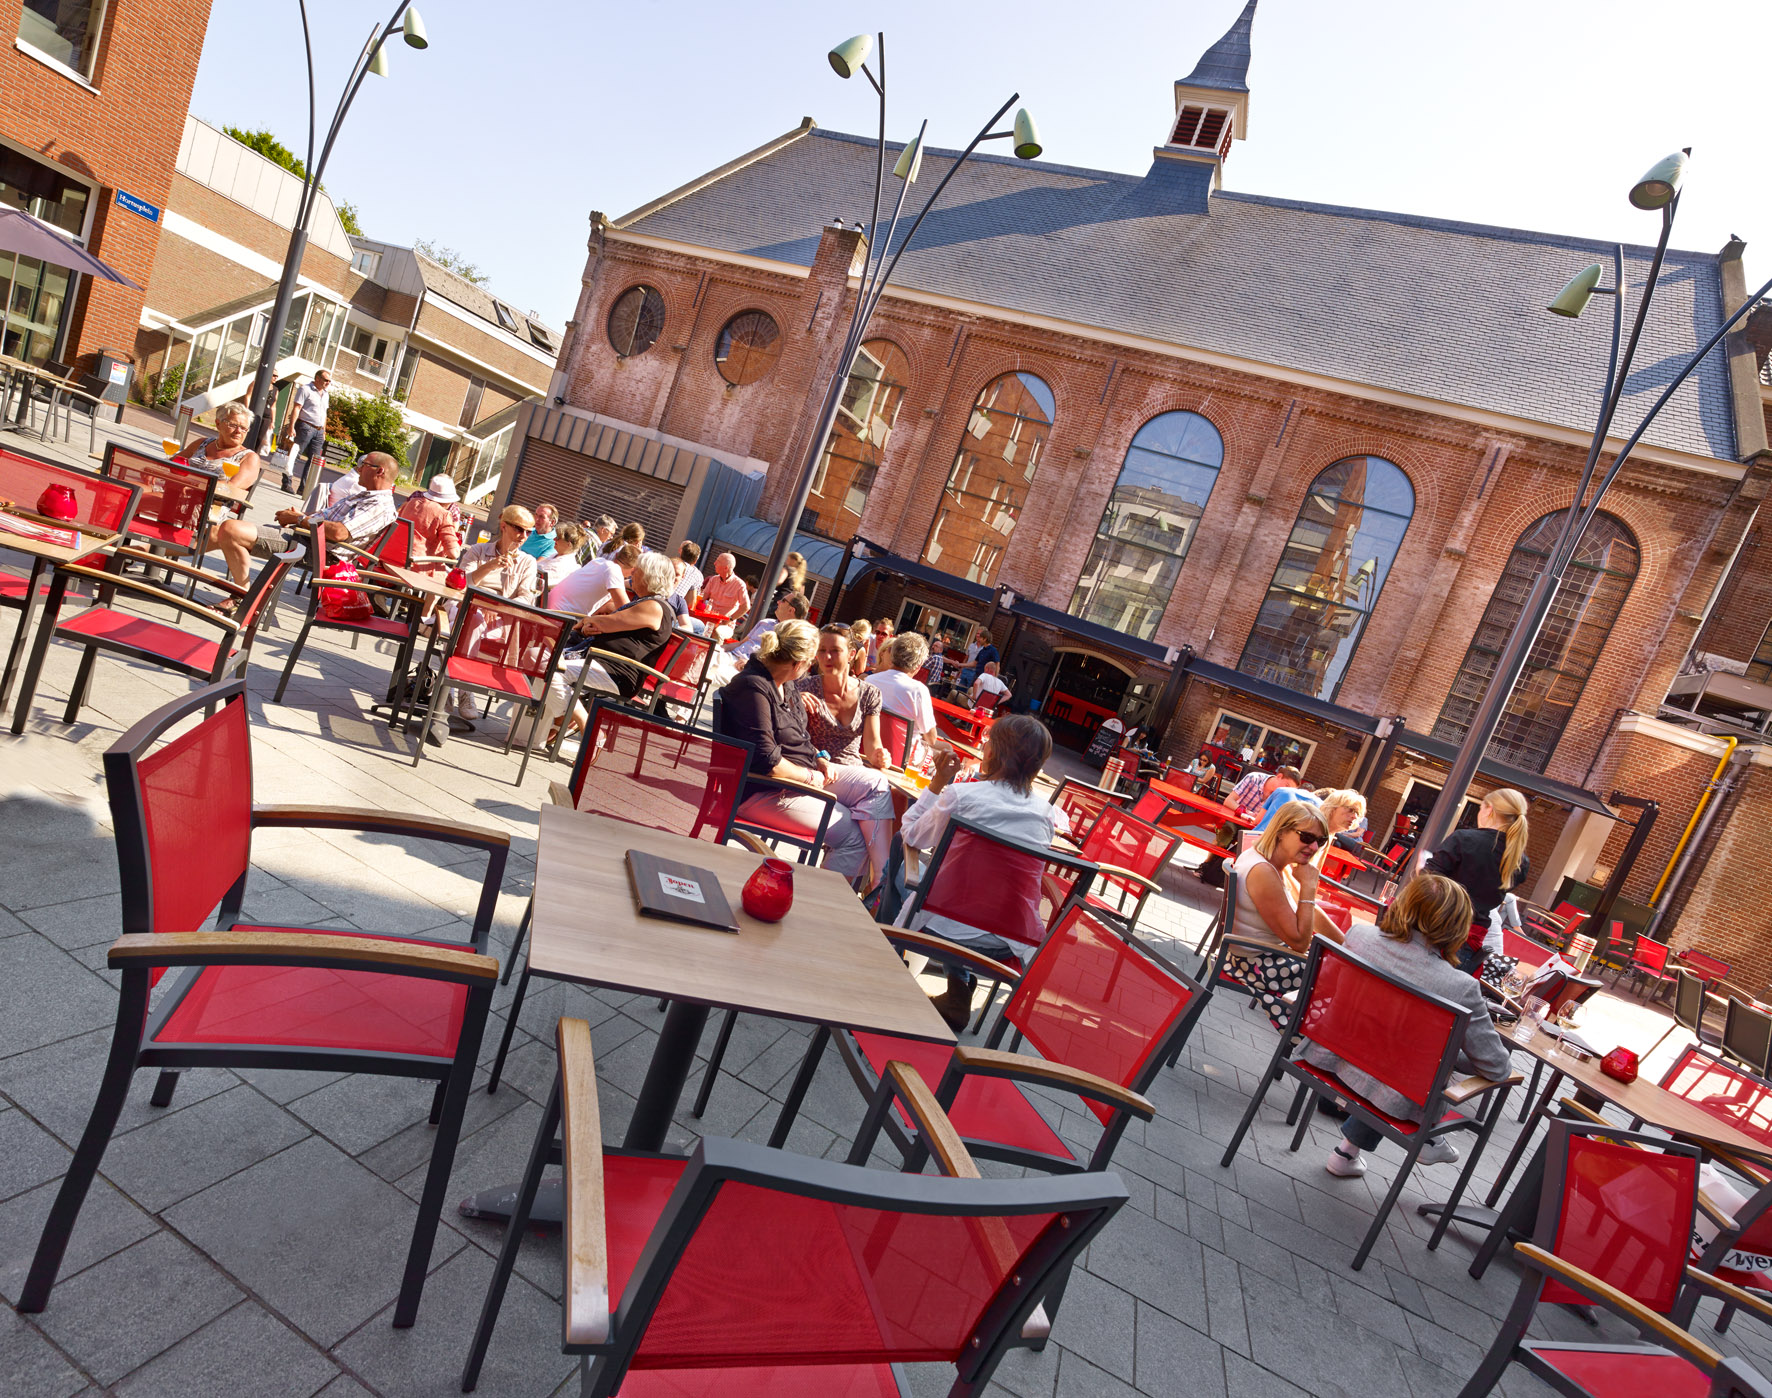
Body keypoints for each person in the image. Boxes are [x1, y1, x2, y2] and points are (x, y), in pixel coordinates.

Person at [1312, 875, 1512, 1177]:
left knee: (1397, 1048)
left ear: (1403, 904)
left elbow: (1325, 989)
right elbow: (1498, 1068)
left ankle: (1347, 1151)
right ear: (1458, 925)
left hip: (1331, 1058)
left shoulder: (1359, 936)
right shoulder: (1460, 986)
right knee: (1408, 1062)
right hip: (1397, 1095)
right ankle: (1430, 1139)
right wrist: (1446, 1055)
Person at [899, 715, 1071, 1029]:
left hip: (943, 930)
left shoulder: (963, 796)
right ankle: (956, 992)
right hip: (1007, 941)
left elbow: (912, 837)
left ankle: (885, 964)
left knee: (903, 871)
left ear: (990, 753)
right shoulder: (1048, 816)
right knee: (975, 891)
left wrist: (937, 784)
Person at [716, 619, 893, 889]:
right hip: (763, 790)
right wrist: (810, 777)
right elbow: (768, 761)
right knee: (854, 836)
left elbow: (800, 738)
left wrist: (820, 757)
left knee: (876, 783)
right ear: (798, 663)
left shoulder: (785, 684)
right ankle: (817, 902)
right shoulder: (753, 687)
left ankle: (882, 879)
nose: (816, 664)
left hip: (796, 778)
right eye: (813, 658)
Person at [1224, 800, 1347, 1028]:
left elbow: (1314, 913)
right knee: (1349, 986)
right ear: (1281, 832)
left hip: (1265, 957)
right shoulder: (1263, 871)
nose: (1313, 847)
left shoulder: (1276, 863)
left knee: (1348, 972)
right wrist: (1310, 888)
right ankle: (1319, 1045)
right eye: (1306, 837)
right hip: (1257, 963)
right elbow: (1300, 942)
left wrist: (1349, 947)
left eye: (1320, 841)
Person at [216, 451, 397, 589]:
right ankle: (189, 556)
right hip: (306, 539)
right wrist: (298, 518)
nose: (358, 469)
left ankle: (242, 595)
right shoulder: (365, 495)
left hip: (318, 551)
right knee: (217, 533)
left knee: (232, 529)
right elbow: (327, 519)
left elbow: (339, 532)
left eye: (364, 464)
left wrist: (301, 519)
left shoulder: (380, 504)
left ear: (379, 471)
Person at [1426, 788, 1531, 978]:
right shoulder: (1520, 862)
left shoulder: (1464, 839)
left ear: (1489, 809)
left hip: (1434, 928)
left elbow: (1429, 881)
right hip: (1470, 940)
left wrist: (1421, 867)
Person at [564, 550, 677, 702]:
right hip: (600, 662)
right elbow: (605, 624)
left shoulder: (654, 607)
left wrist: (586, 621)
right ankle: (557, 721)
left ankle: (579, 720)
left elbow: (604, 623)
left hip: (616, 673)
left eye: (637, 569)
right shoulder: (646, 602)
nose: (632, 571)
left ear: (649, 576)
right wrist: (587, 627)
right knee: (538, 658)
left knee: (552, 670)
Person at [798, 624, 888, 770]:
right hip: (814, 767)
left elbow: (873, 744)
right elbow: (794, 737)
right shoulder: (805, 688)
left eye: (835, 651)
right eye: (822, 650)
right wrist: (795, 700)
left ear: (851, 654)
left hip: (852, 769)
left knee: (892, 790)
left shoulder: (869, 693)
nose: (827, 657)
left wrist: (880, 757)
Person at [867, 632, 938, 764]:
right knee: (946, 756)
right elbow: (931, 738)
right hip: (903, 762)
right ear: (919, 664)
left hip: (868, 754)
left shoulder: (869, 681)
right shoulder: (918, 690)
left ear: (891, 652)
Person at [184, 401, 264, 493]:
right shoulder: (202, 443)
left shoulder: (249, 457)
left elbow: (231, 486)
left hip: (211, 505)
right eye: (233, 425)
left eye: (243, 428)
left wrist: (196, 488)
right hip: (176, 493)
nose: (238, 431)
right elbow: (174, 462)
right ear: (218, 424)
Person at [396, 475, 463, 576]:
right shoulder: (443, 515)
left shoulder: (411, 503)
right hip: (417, 568)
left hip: (393, 559)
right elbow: (453, 553)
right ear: (449, 501)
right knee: (449, 581)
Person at [278, 369, 332, 494]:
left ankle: (304, 488)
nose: (328, 383)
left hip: (319, 430)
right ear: (317, 379)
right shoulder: (305, 389)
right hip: (305, 426)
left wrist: (324, 431)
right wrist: (291, 426)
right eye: (326, 380)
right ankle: (286, 483)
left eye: (329, 381)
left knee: (314, 460)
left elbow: (324, 414)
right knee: (294, 455)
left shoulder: (326, 394)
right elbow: (297, 408)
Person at [552, 542, 635, 621]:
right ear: (633, 570)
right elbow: (626, 611)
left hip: (550, 610)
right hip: (560, 619)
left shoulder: (598, 561)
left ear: (616, 555)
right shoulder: (614, 570)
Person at [700, 551, 750, 623]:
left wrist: (730, 619)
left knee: (717, 632)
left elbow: (746, 606)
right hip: (708, 619)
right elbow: (702, 597)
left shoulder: (739, 585)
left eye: (718, 562)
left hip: (724, 624)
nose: (714, 563)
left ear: (726, 568)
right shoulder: (713, 579)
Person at [540, 523, 586, 591]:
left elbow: (541, 583)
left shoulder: (565, 565)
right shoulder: (555, 555)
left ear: (568, 544)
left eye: (558, 538)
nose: (554, 539)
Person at [668, 541, 705, 622]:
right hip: (671, 614)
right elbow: (690, 604)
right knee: (700, 626)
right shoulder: (697, 574)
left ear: (681, 553)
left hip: (653, 602)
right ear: (695, 560)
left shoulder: (668, 563)